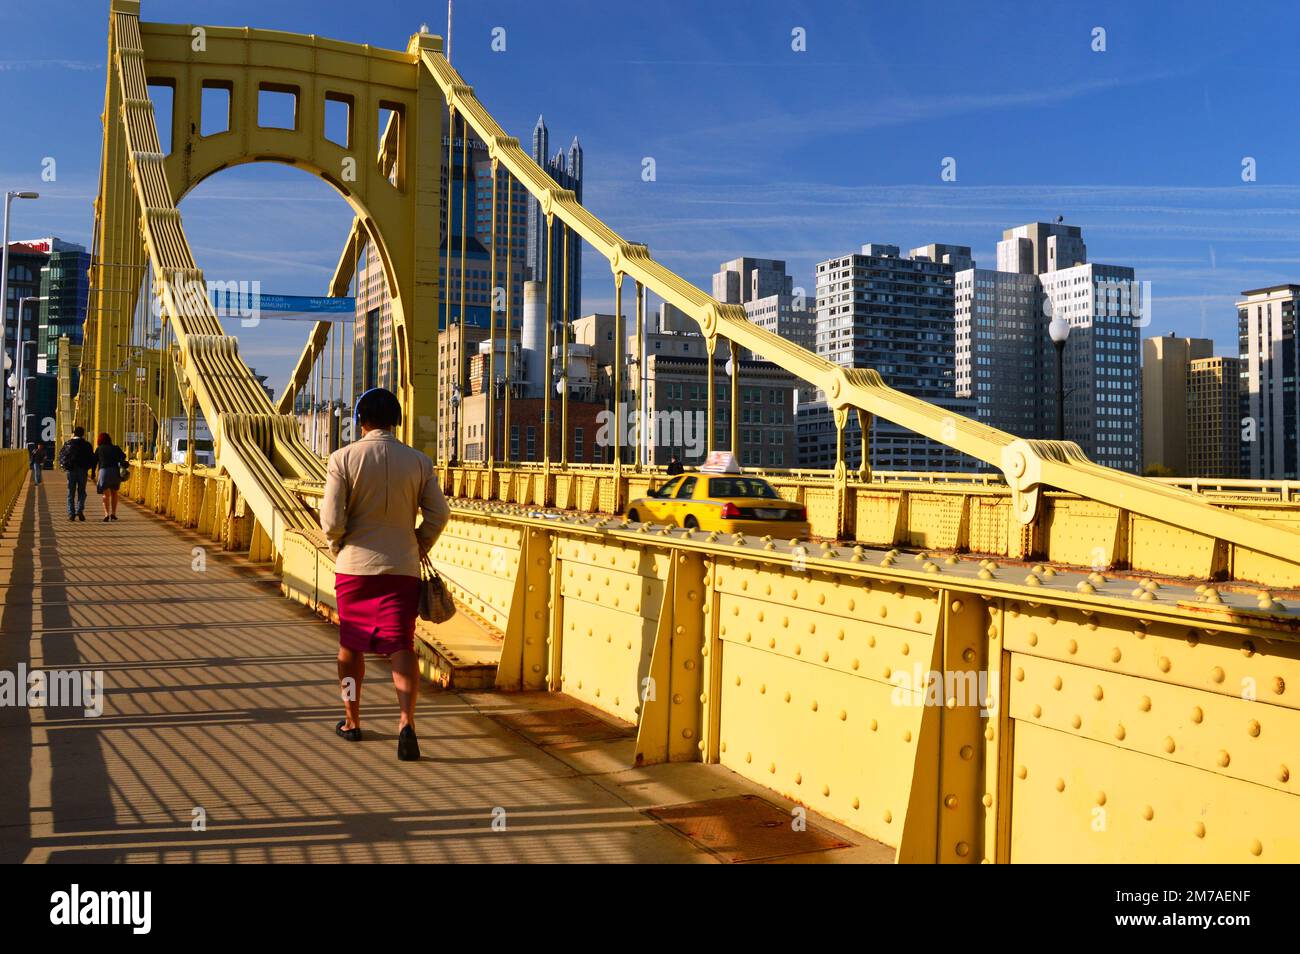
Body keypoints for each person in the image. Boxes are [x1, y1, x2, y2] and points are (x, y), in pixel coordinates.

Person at [321, 388, 449, 762]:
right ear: (397, 420)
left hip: (354, 569)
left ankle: (352, 720)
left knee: (350, 647)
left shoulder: (342, 458)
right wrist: (418, 544)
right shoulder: (420, 462)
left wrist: (339, 546)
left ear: (361, 420)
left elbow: (330, 519)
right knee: (401, 645)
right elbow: (439, 514)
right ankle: (406, 722)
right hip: (402, 568)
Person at [57, 426, 96, 522]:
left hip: (71, 470)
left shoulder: (68, 443)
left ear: (74, 433)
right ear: (83, 434)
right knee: (82, 492)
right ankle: (79, 510)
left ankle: (71, 513)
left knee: (71, 492)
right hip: (83, 470)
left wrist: (64, 466)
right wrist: (91, 469)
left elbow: (61, 455)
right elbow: (92, 458)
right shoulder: (87, 445)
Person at [92, 432, 128, 522]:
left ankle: (106, 514)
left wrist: (93, 473)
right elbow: (124, 456)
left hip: (104, 472)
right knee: (114, 493)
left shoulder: (99, 449)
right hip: (115, 472)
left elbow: (94, 462)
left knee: (105, 494)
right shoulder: (116, 448)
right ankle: (114, 514)